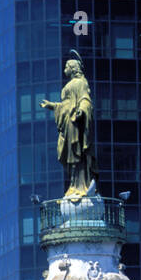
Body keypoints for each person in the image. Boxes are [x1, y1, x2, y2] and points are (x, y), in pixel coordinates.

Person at [40, 52, 98, 199]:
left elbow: (85, 99)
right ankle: (73, 185)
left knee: (77, 154)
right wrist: (52, 106)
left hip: (76, 123)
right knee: (70, 155)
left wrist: (81, 110)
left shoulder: (81, 82)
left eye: (67, 66)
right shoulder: (69, 85)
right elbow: (66, 105)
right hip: (68, 124)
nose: (64, 68)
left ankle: (81, 185)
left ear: (73, 68)